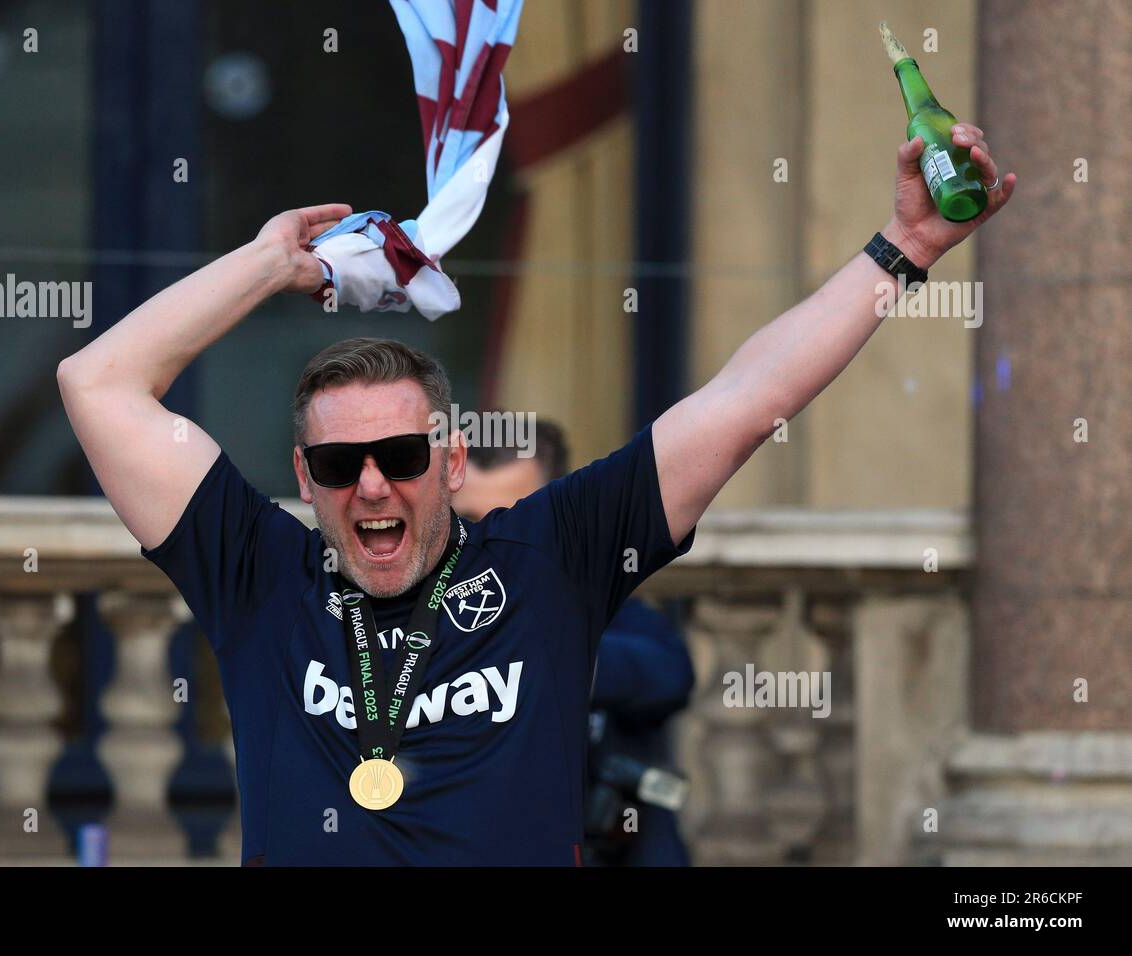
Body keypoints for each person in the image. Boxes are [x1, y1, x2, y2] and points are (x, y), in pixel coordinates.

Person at [57, 130, 1015, 865]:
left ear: (452, 459)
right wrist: (270, 265)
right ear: (305, 479)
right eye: (341, 466)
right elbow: (96, 382)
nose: (374, 484)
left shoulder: (552, 555)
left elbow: (747, 399)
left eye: (399, 453)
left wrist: (904, 247)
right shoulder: (259, 573)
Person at [454, 419, 694, 866]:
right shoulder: (417, 630)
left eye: (511, 517)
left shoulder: (606, 610)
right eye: (468, 521)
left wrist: (552, 655)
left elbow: (671, 675)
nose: (489, 540)